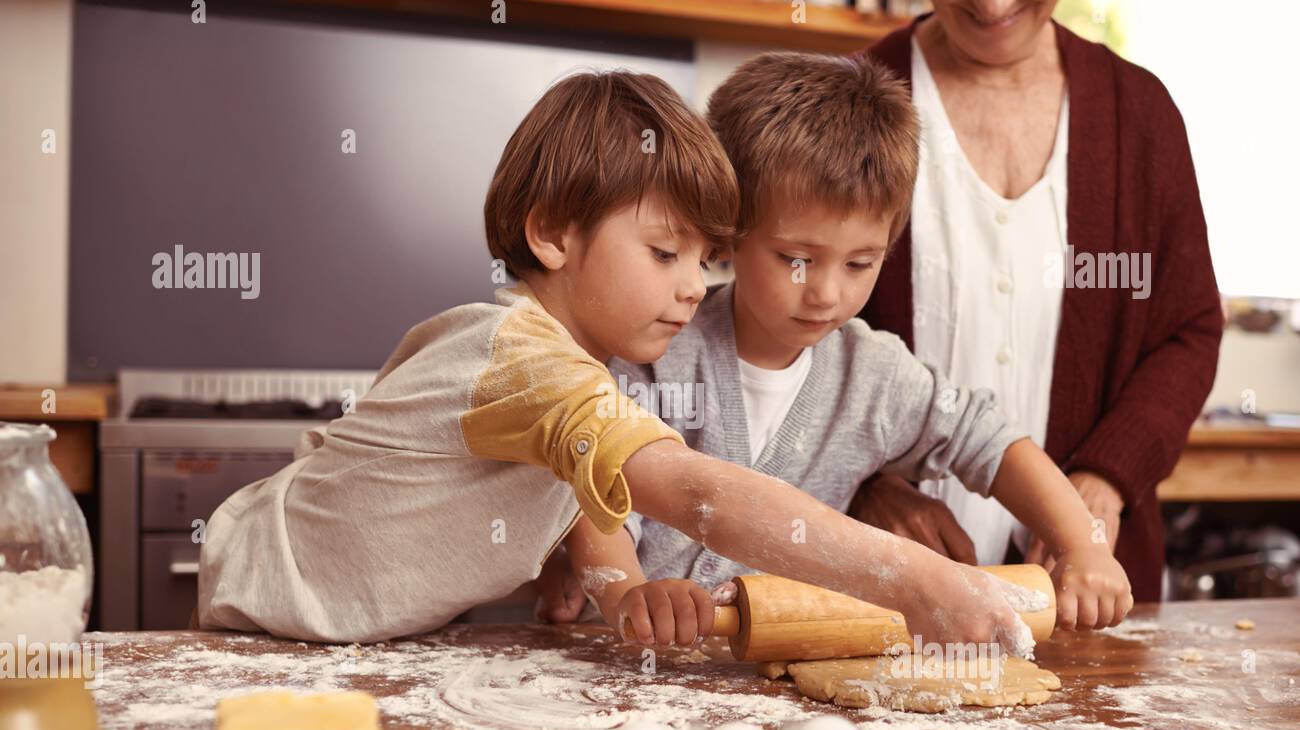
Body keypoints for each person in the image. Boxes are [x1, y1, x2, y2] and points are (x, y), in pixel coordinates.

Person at [198, 70, 1034, 649]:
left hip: (332, 632)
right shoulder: (520, 356)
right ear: (554, 232)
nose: (689, 288)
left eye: (704, 260)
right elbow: (701, 493)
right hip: (269, 610)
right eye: (665, 252)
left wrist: (602, 578)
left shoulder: (568, 378)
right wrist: (919, 582)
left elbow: (577, 489)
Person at [545, 51, 1131, 642]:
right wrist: (625, 589)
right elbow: (595, 488)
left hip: (780, 682)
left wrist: (1084, 545)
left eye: (860, 262)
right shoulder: (653, 349)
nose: (826, 292)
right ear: (729, 234)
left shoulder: (874, 374)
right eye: (795, 259)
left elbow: (991, 441)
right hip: (635, 669)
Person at [850, 0, 1222, 601]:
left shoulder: (1139, 116)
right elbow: (778, 332)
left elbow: (1190, 327)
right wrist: (863, 483)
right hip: (882, 588)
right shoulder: (849, 102)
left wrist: (1104, 480)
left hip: (1082, 591)